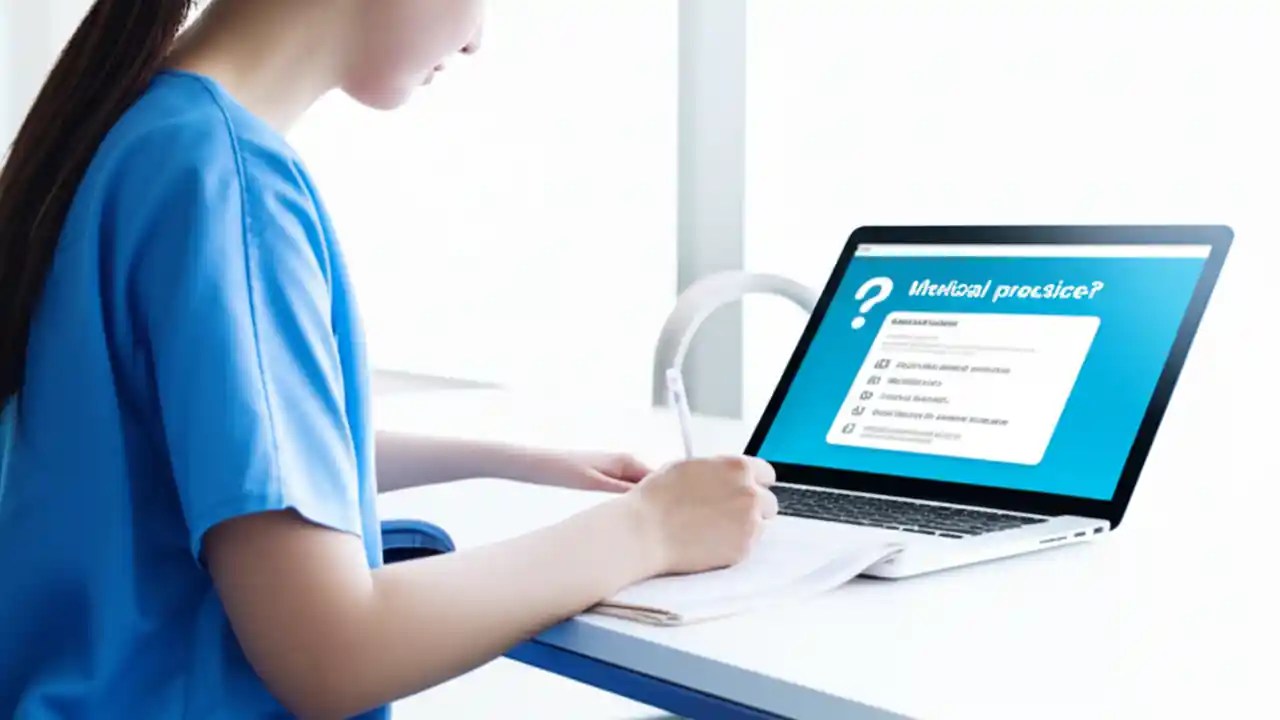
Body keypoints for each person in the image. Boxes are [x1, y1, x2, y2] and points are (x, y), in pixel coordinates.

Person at [0, 1, 777, 717]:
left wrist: (515, 460)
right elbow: (330, 651)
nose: (477, 38)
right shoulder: (229, 185)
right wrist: (648, 530)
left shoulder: (145, 134)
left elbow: (192, 455)